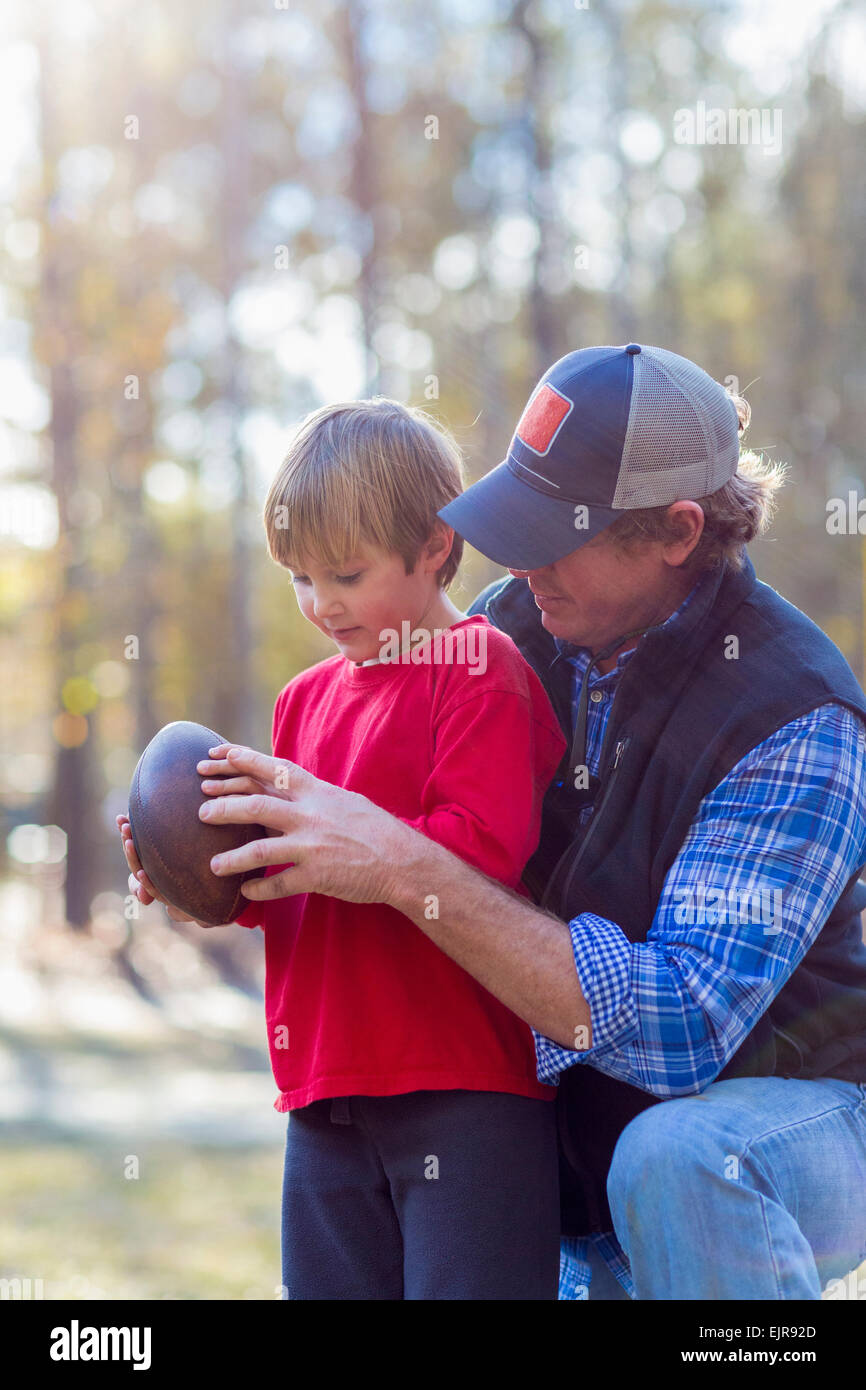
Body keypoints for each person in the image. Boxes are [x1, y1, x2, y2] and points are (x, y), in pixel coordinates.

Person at [192, 344, 866, 1300]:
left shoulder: (793, 717)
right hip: (571, 1113)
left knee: (682, 1160)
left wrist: (399, 864)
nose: (516, 561)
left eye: (555, 532)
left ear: (677, 531)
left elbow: (680, 1032)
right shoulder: (512, 627)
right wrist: (223, 860)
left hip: (801, 1119)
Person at [120, 397, 569, 1300]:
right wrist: (202, 876)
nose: (321, 606)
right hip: (322, 1089)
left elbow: (477, 859)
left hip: (464, 1088)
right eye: (298, 579)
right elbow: (297, 881)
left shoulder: (482, 672)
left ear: (437, 545)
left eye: (347, 575)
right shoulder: (303, 702)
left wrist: (359, 849)